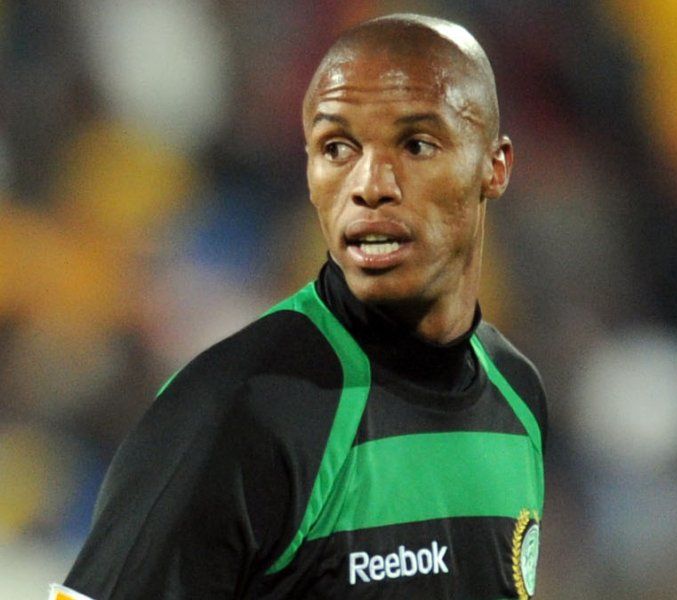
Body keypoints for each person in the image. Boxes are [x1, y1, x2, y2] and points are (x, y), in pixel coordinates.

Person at [55, 13, 547, 600]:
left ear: (495, 167)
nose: (371, 185)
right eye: (337, 147)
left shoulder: (518, 397)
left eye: (417, 145)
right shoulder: (238, 408)